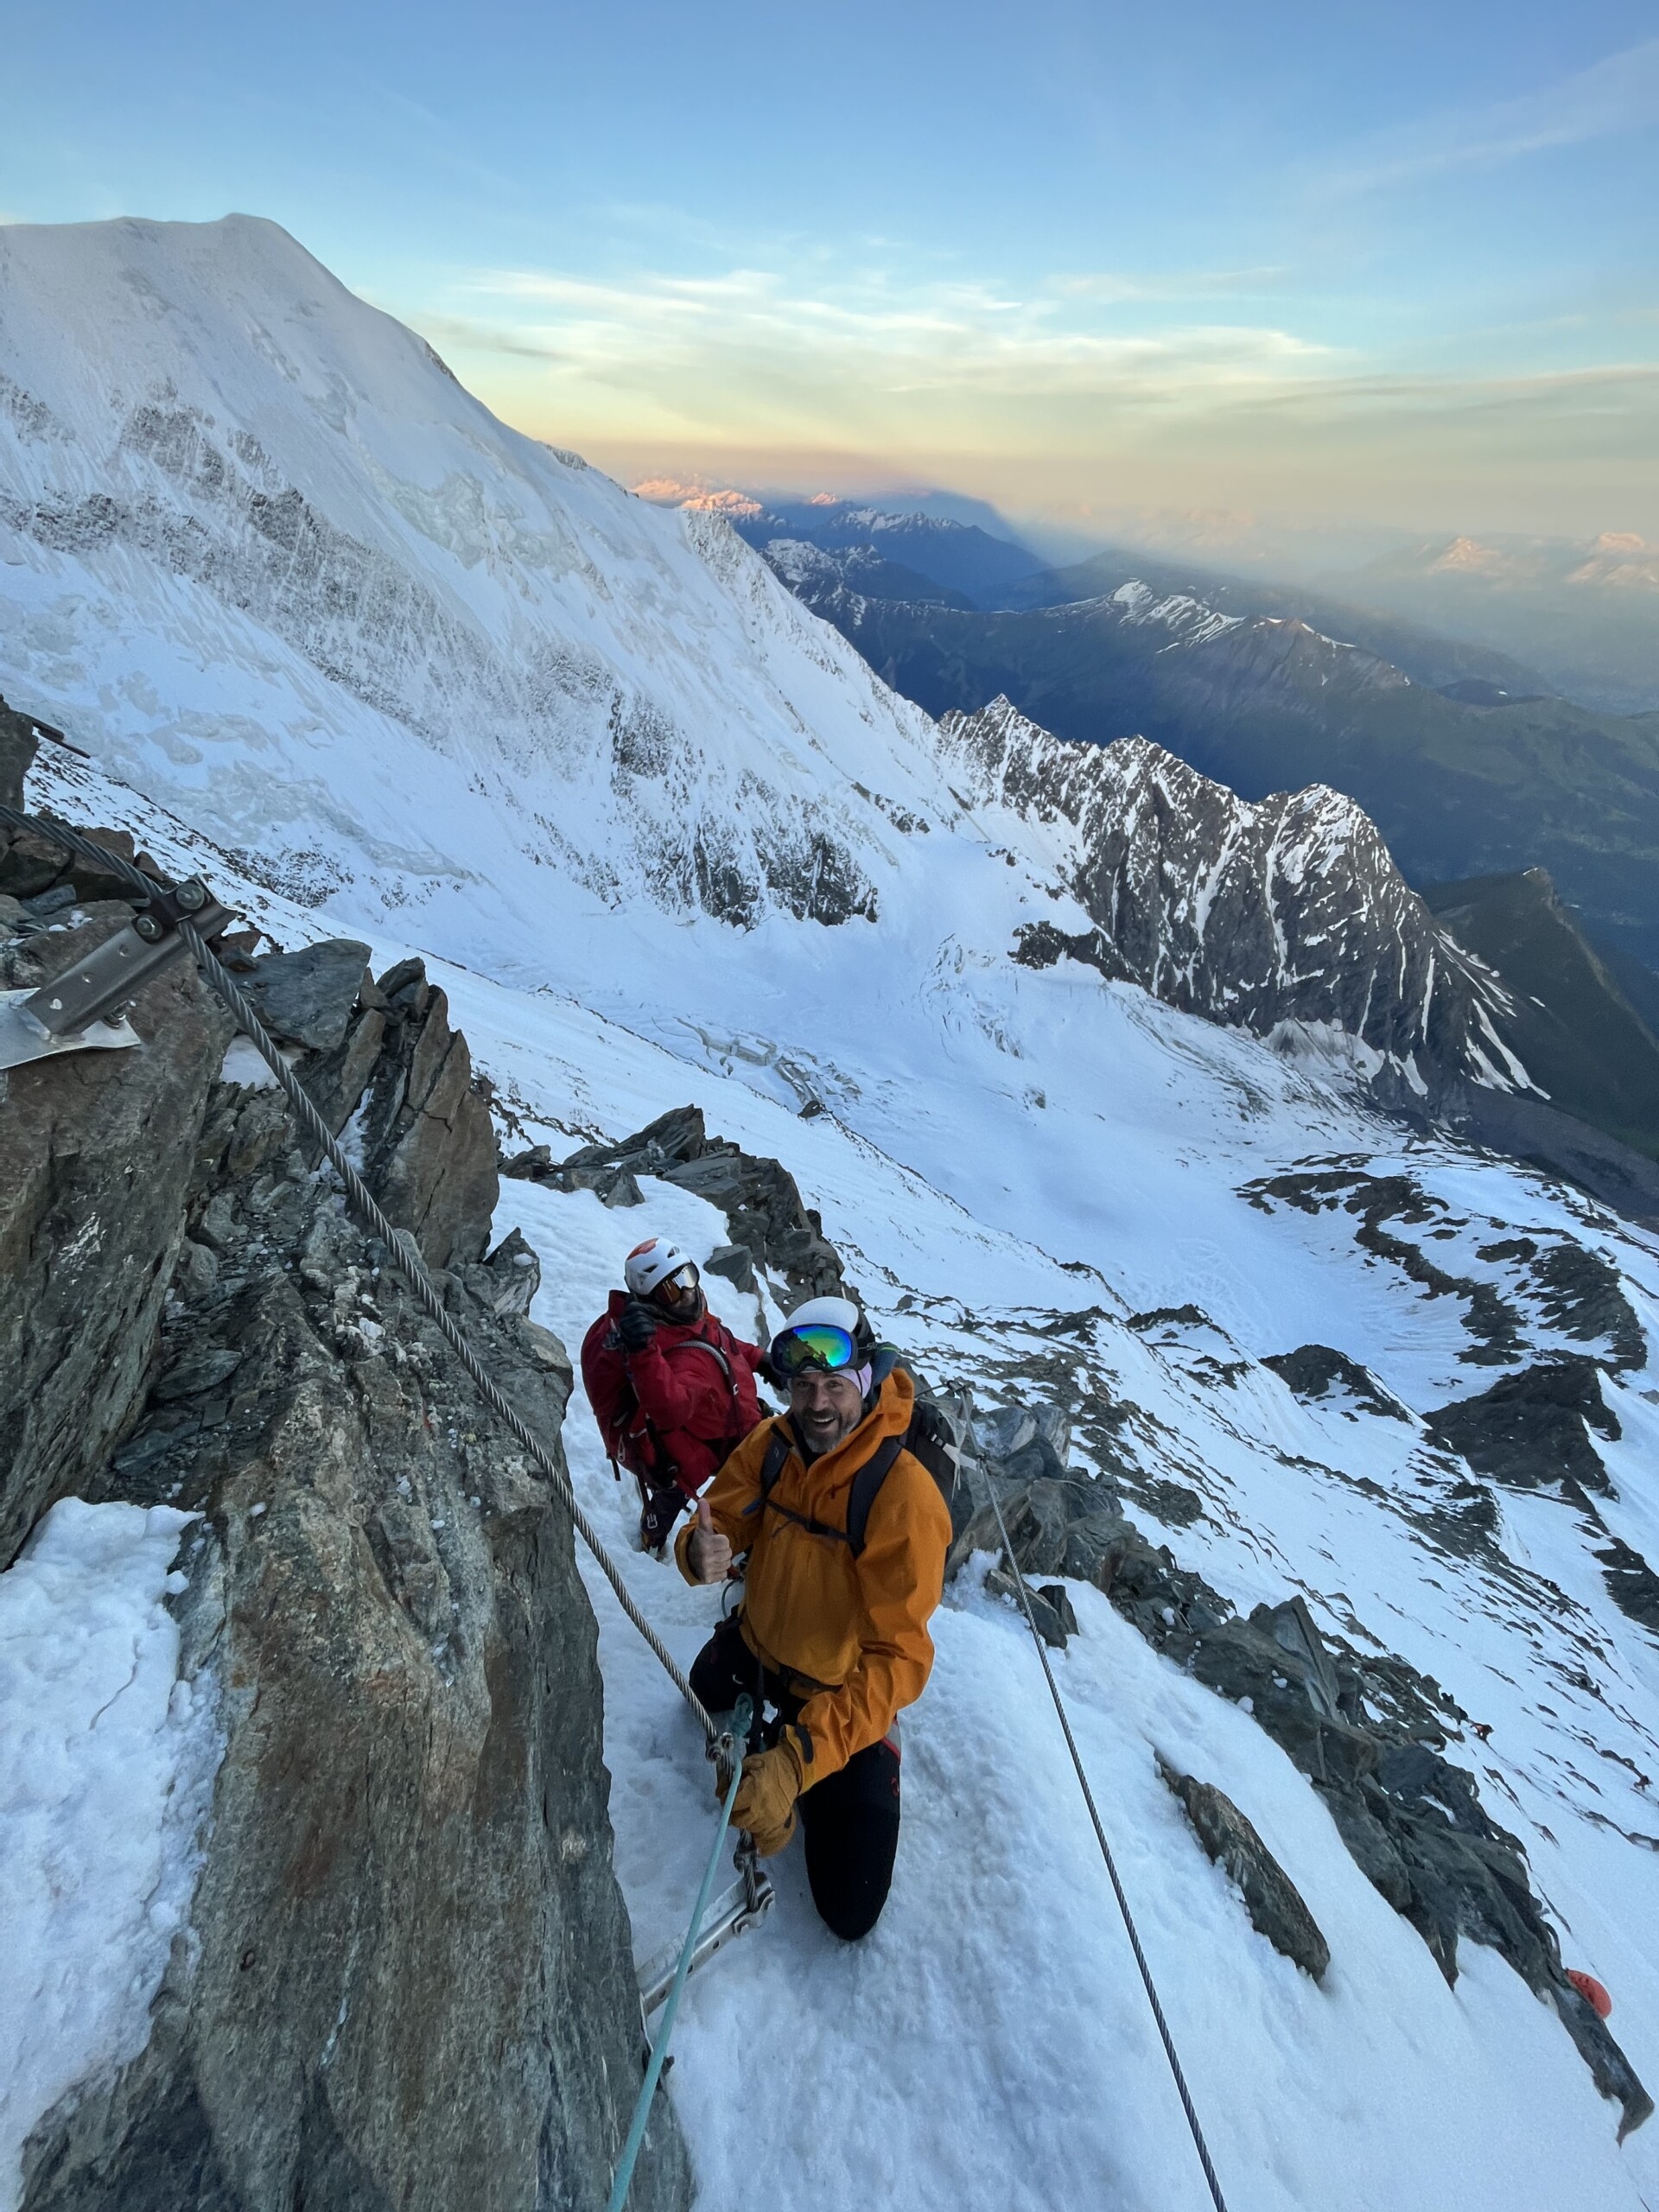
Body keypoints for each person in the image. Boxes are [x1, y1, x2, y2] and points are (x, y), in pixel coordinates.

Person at [677, 1294, 952, 1942]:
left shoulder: (902, 1493)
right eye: (802, 1386)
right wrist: (700, 1548)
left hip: (839, 1693)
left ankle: (852, 1749)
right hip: (760, 1650)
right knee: (701, 1687)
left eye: (833, 1384)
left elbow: (899, 1658)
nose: (818, 1404)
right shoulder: (771, 1446)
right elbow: (722, 1518)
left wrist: (800, 1759)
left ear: (867, 1381)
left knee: (849, 1909)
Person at [581, 1236, 768, 1552]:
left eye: (687, 1277)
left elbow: (719, 1343)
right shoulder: (656, 1348)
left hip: (725, 1424)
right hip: (696, 1444)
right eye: (671, 1290)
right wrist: (642, 1353)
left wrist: (759, 1359)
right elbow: (671, 1408)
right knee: (681, 1489)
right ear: (650, 1301)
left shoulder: (683, 1319)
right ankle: (653, 1531)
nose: (687, 1293)